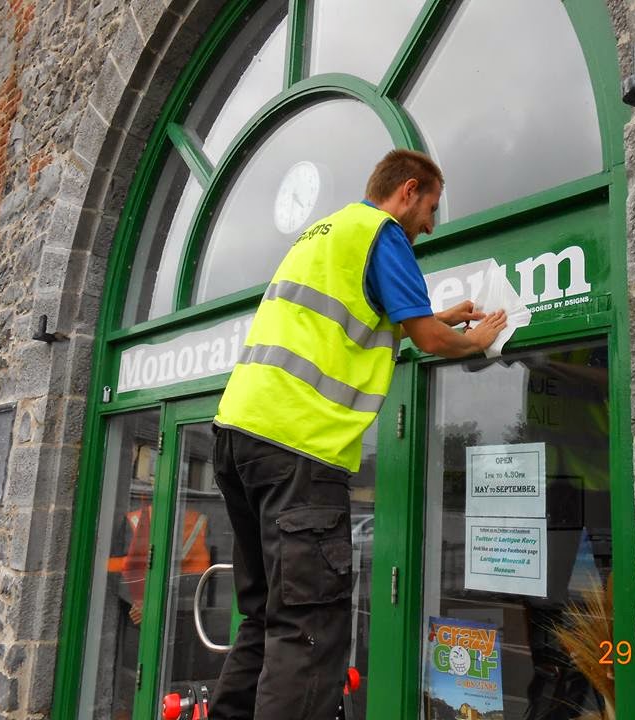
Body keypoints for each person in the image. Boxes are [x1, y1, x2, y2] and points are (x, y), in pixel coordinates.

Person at [210, 149, 507, 719]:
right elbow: (426, 341)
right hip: (296, 448)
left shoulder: (326, 233)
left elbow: (377, 320)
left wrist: (437, 317)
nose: (430, 224)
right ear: (408, 190)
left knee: (268, 616)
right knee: (309, 628)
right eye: (431, 209)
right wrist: (478, 337)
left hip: (238, 436)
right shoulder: (381, 233)